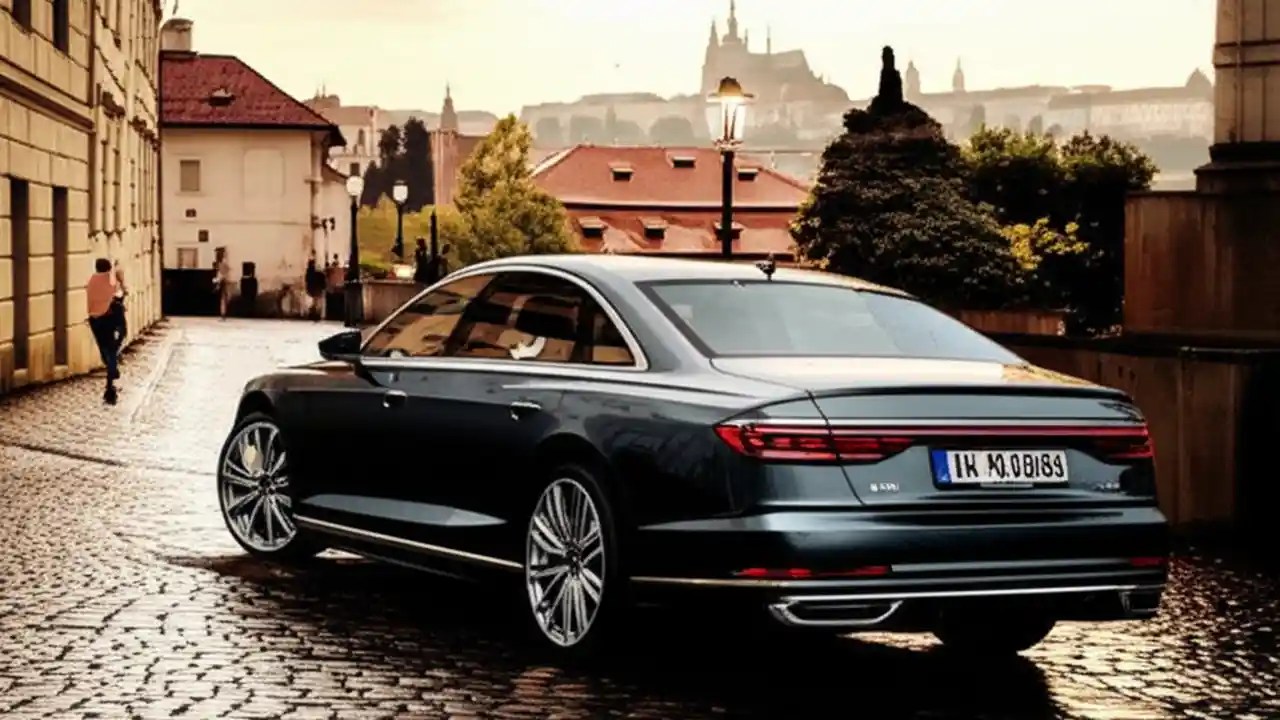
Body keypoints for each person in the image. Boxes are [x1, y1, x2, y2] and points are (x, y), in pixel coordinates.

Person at [86, 258, 123, 404]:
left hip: (94, 320)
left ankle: (111, 369)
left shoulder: (92, 281)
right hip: (107, 318)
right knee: (112, 348)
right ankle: (110, 380)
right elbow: (118, 293)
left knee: (104, 349)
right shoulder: (110, 280)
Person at [304, 256, 326, 321]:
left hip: (312, 288)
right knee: (316, 301)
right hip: (316, 288)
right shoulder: (316, 272)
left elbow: (307, 280)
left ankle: (313, 313)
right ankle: (315, 313)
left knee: (315, 301)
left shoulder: (309, 271)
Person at [213, 249, 231, 319]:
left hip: (224, 281)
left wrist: (218, 281)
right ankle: (223, 314)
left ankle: (223, 314)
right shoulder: (221, 263)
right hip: (223, 281)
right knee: (224, 299)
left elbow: (223, 274)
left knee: (224, 299)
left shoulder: (222, 263)